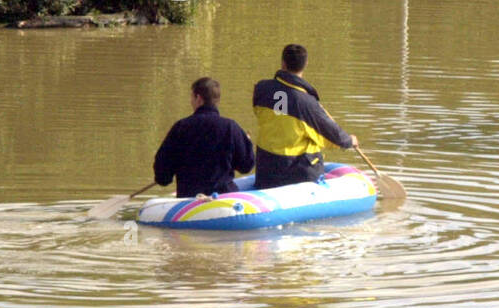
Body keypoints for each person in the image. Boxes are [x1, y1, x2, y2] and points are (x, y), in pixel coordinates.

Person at [252, 44, 359, 189]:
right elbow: (331, 135)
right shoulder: (306, 103)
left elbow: (269, 113)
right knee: (312, 139)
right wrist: (349, 141)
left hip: (266, 171)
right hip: (296, 175)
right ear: (305, 64)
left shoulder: (260, 88)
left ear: (283, 63)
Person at [153, 77, 255, 197]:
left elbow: (162, 175)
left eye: (192, 97)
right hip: (224, 200)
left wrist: (167, 175)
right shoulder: (230, 127)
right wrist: (247, 144)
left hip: (189, 201)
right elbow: (246, 166)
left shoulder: (180, 128)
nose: (190, 101)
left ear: (199, 98)